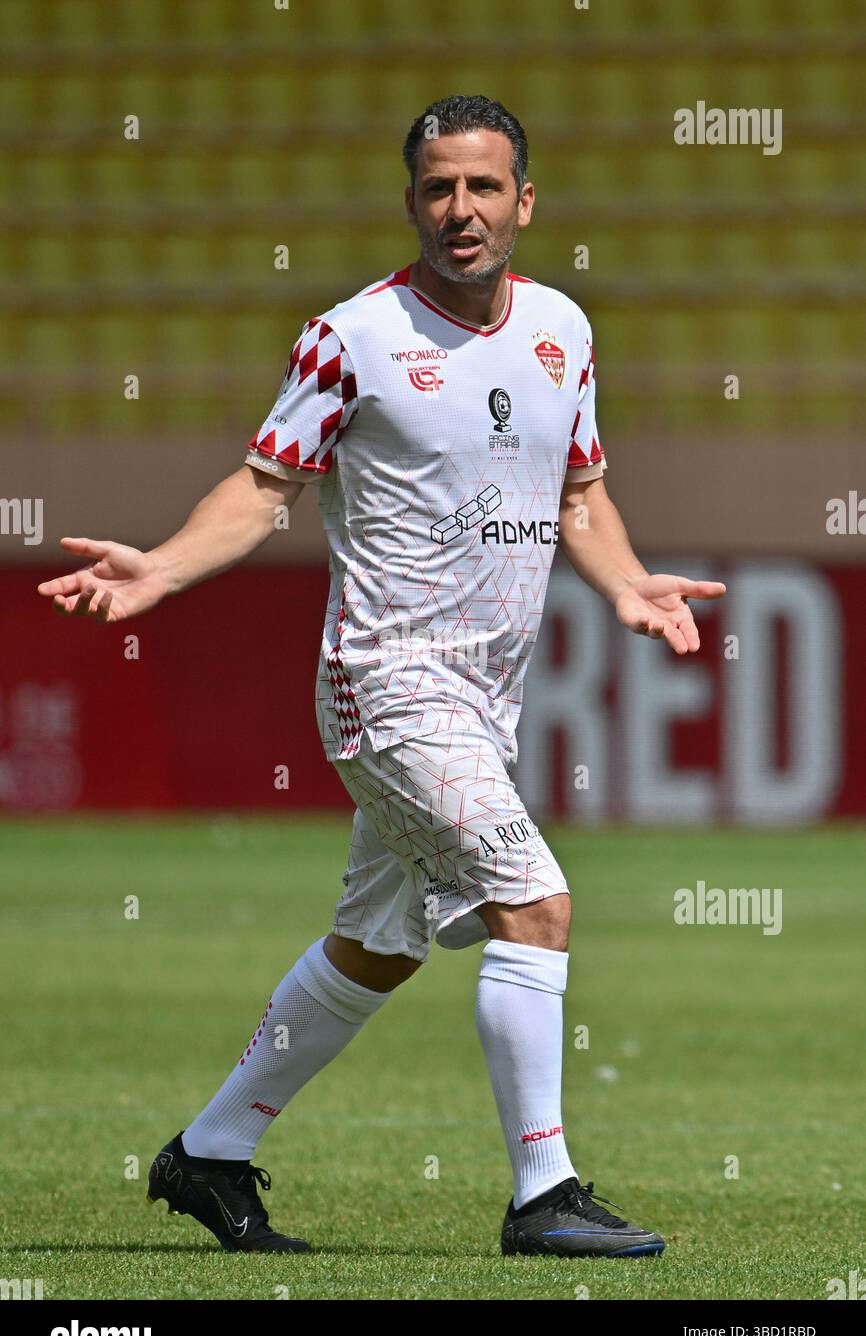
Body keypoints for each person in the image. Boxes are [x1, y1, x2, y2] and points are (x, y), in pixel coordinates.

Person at [37, 95, 725, 1259]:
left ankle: (207, 1154)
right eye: (439, 188)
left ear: (524, 201)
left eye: (483, 187)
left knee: (380, 945)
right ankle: (541, 1192)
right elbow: (263, 487)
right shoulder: (351, 336)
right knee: (536, 901)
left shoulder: (561, 327)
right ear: (411, 201)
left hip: (481, 700)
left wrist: (623, 582)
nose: (461, 210)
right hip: (384, 682)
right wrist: (157, 569)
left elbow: (579, 494)